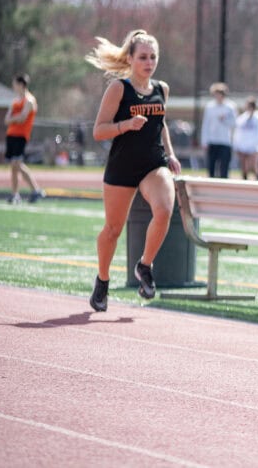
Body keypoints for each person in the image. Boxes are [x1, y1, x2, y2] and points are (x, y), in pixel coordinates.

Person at [84, 29, 182, 311]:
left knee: (164, 209)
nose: (149, 62)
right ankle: (102, 280)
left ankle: (144, 265)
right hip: (123, 165)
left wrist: (171, 154)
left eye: (153, 57)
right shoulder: (118, 89)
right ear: (130, 58)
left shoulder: (162, 89)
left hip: (153, 163)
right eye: (143, 57)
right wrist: (125, 125)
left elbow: (160, 123)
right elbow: (98, 131)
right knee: (113, 230)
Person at [4, 73, 46, 204]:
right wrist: (13, 119)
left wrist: (13, 119)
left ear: (21, 85)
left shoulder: (29, 100)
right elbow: (6, 120)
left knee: (16, 164)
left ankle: (23, 192)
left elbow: (22, 118)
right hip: (10, 135)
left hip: (21, 136)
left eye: (15, 84)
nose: (13, 87)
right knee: (15, 165)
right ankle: (26, 192)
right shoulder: (15, 100)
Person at [200, 82, 236, 178]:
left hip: (225, 141)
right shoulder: (209, 107)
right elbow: (205, 125)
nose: (218, 96)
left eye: (220, 94)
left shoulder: (230, 107)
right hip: (212, 141)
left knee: (224, 168)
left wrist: (225, 120)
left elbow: (234, 123)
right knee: (211, 167)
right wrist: (204, 141)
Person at [233, 96, 258, 180]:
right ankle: (244, 184)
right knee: (244, 167)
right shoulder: (242, 118)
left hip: (254, 147)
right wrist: (236, 145)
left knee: (254, 166)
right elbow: (238, 131)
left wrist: (256, 145)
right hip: (243, 147)